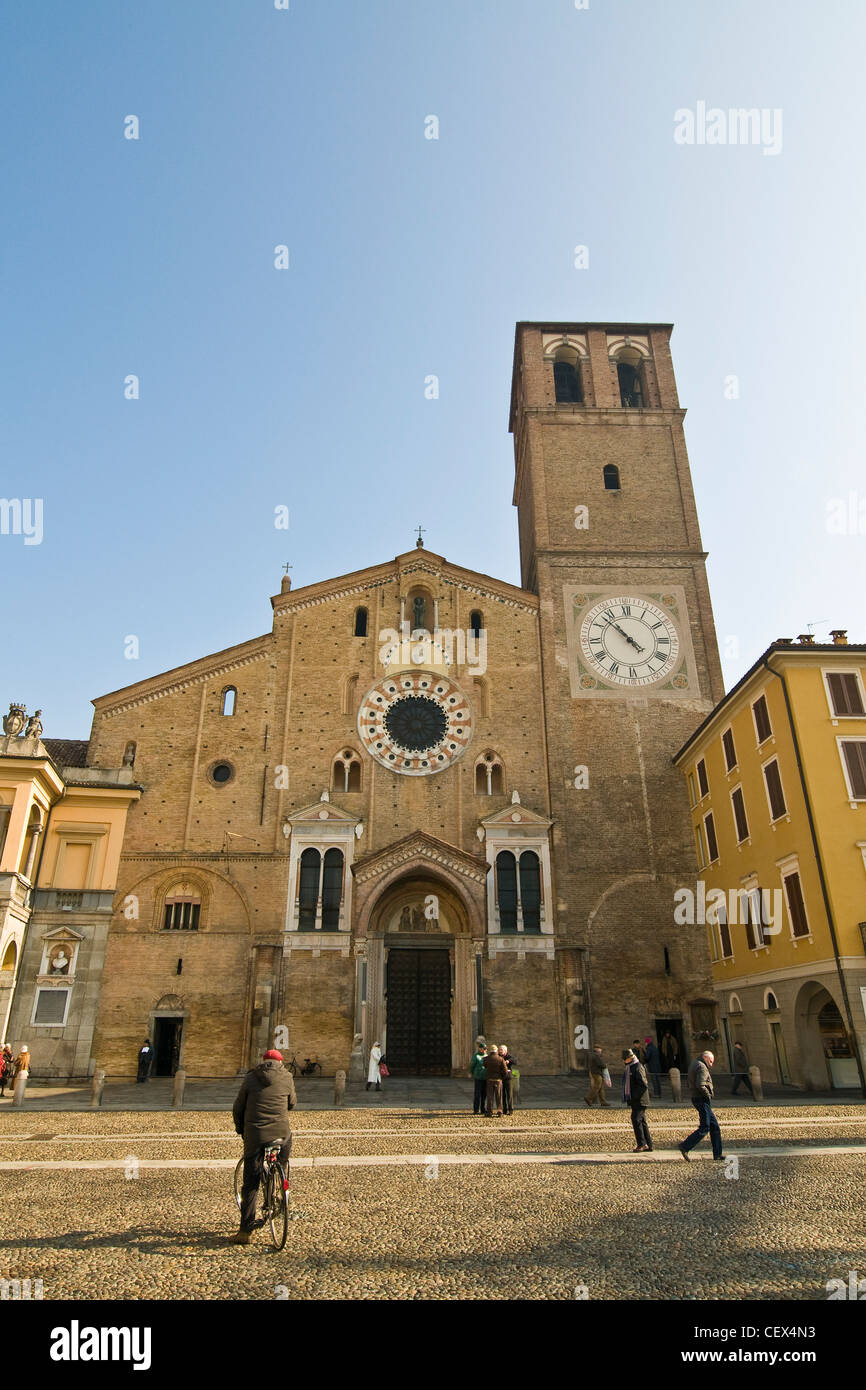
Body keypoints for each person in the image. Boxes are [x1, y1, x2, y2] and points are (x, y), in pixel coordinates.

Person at [231, 1048, 297, 1245]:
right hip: (281, 1133)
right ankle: (280, 1182)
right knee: (283, 1156)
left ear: (263, 1061)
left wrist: (240, 1129)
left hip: (256, 1133)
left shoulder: (251, 1078)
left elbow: (238, 1107)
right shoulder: (287, 1077)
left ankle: (245, 1231)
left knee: (251, 1182)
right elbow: (292, 1103)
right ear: (280, 1062)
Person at [679, 1050, 724, 1161]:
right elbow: (701, 1084)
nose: (711, 1064)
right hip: (701, 1099)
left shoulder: (695, 1063)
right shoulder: (702, 1067)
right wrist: (708, 1095)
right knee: (705, 1126)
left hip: (697, 1097)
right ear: (705, 1057)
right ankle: (685, 1146)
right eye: (711, 1061)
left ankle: (717, 1154)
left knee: (714, 1127)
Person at [622, 1048, 653, 1152]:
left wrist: (634, 1097)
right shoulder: (630, 1067)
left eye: (625, 1059)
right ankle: (648, 1144)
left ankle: (642, 1144)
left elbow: (643, 1085)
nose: (623, 1061)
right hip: (637, 1099)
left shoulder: (637, 1067)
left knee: (636, 1120)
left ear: (630, 1058)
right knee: (642, 1121)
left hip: (639, 1100)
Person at [482, 1042, 507, 1116]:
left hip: (489, 1079)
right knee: (499, 1097)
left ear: (490, 1051)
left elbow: (485, 1066)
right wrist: (502, 1077)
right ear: (496, 1051)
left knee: (490, 1096)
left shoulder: (486, 1059)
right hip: (498, 1080)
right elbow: (505, 1071)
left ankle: (489, 1111)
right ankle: (499, 1111)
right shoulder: (501, 1059)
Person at [470, 1041, 488, 1115]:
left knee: (484, 1094)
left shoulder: (486, 1056)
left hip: (485, 1077)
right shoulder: (476, 1056)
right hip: (478, 1077)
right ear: (480, 1049)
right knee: (477, 1094)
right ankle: (476, 1109)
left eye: (485, 1049)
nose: (484, 1050)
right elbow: (472, 1066)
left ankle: (483, 1109)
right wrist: (473, 1073)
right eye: (483, 1048)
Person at [499, 1044, 514, 1115]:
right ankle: (504, 1110)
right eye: (500, 1050)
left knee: (509, 1094)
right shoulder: (498, 1056)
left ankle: (510, 1109)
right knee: (502, 1095)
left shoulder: (508, 1056)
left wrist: (509, 1061)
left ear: (505, 1051)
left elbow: (515, 1061)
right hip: (501, 1078)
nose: (500, 1051)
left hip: (508, 1078)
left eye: (501, 1050)